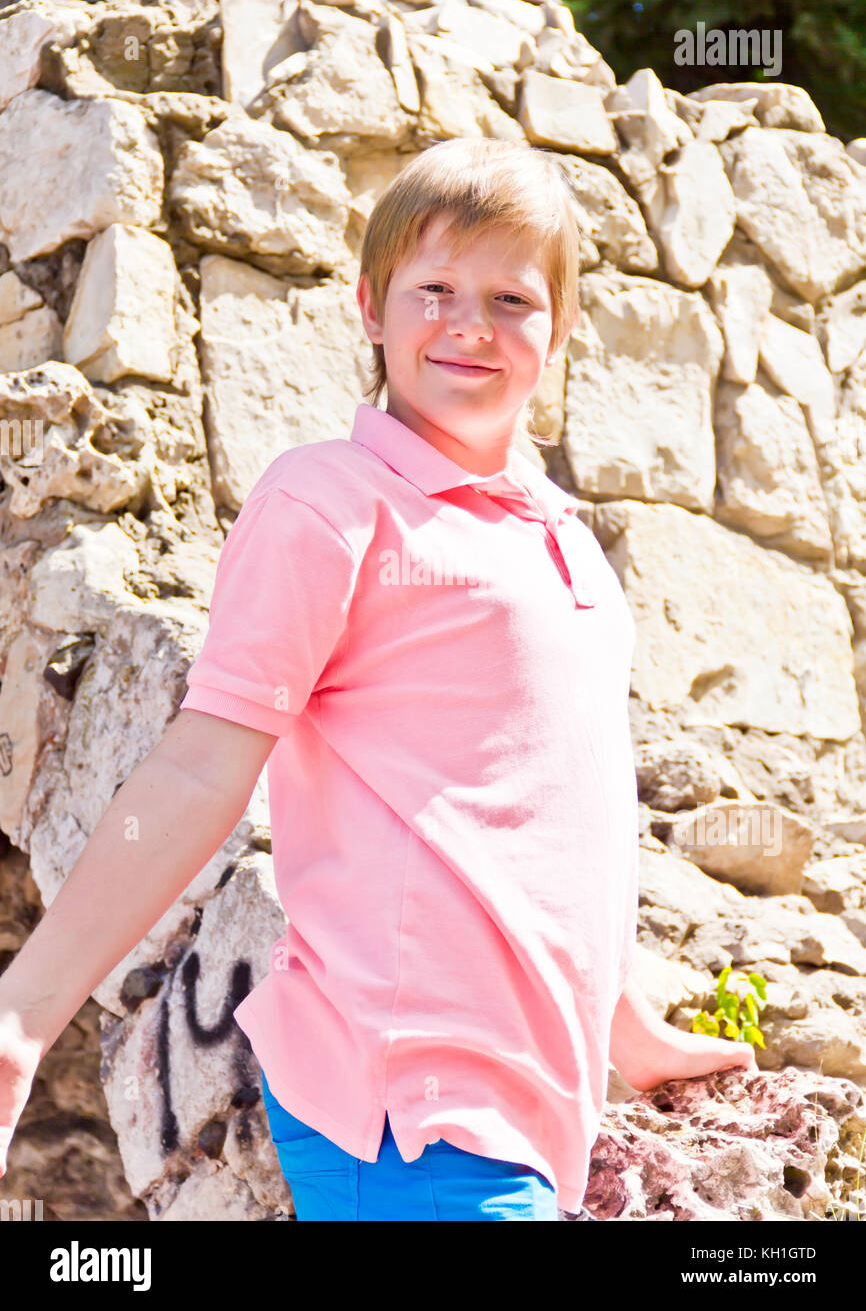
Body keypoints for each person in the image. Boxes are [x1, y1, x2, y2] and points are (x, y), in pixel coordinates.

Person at [0, 137, 756, 1222]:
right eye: (433, 288)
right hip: (405, 1113)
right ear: (368, 305)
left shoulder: (564, 540)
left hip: (531, 1108)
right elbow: (195, 771)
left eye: (510, 296)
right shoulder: (329, 502)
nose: (468, 323)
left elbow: (548, 816)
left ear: (563, 325)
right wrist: (26, 1009)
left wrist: (626, 1030)